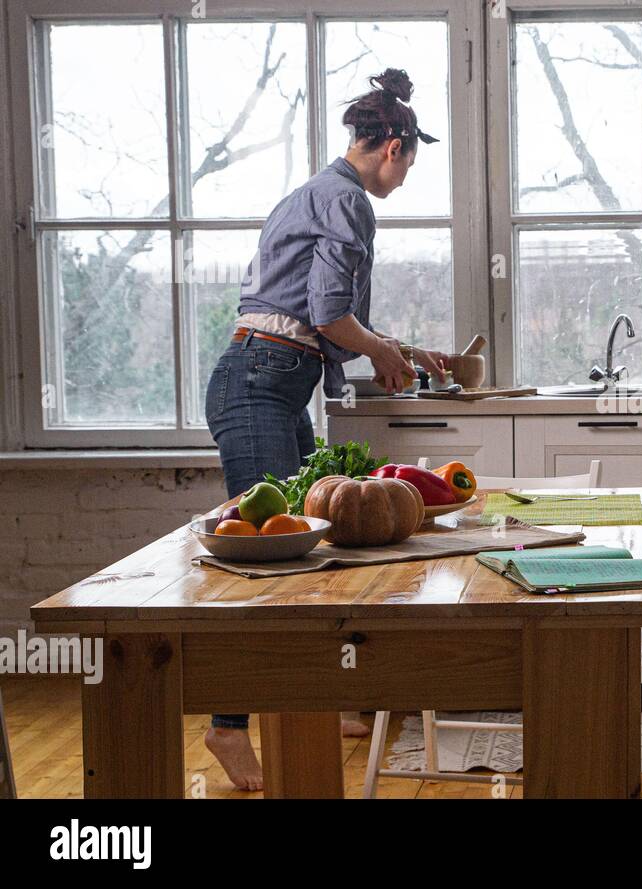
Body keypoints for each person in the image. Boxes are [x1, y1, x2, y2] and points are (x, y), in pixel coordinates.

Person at [203, 68, 446, 791]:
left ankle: (320, 692)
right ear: (393, 147)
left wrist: (400, 350)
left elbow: (324, 321)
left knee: (316, 538)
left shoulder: (317, 192)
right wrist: (377, 348)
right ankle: (226, 725)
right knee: (267, 559)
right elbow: (332, 315)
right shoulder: (348, 201)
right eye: (410, 165)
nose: (404, 180)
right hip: (258, 384)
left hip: (270, 378)